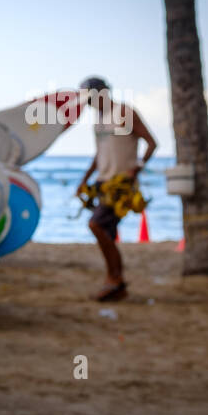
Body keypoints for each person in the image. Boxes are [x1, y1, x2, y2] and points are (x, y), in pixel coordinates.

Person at [76, 77, 157, 301]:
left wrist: (137, 168)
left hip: (120, 185)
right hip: (103, 183)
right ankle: (115, 284)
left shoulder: (124, 112)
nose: (87, 102)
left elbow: (151, 142)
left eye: (87, 96)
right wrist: (85, 179)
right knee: (106, 233)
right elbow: (100, 153)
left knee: (96, 225)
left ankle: (116, 279)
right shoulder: (98, 120)